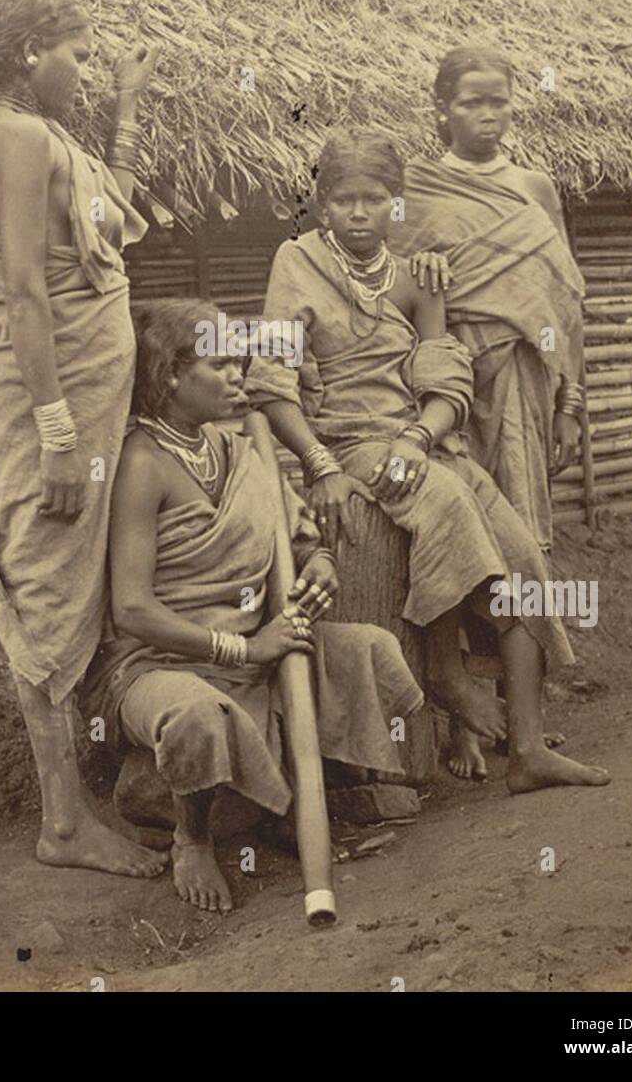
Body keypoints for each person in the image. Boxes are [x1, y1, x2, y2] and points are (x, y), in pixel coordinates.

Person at [245, 128, 609, 796]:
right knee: (442, 505)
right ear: (321, 205)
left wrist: (418, 437)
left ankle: (527, 749)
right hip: (350, 445)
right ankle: (442, 671)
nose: (359, 213)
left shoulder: (415, 279)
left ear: (396, 205)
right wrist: (321, 466)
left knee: (520, 553)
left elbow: (447, 383)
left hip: (420, 442)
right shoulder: (294, 262)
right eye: (344, 200)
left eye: (375, 199)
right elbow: (271, 383)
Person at [85, 299, 425, 912]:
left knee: (370, 650)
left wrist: (319, 562)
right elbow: (132, 610)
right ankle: (193, 837)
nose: (239, 377)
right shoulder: (142, 464)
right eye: (221, 365)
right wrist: (243, 647)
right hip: (161, 662)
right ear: (169, 377)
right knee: (198, 716)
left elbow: (297, 536)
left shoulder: (241, 446)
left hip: (258, 643)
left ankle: (288, 804)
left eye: (240, 363)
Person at [0, 0, 167, 877]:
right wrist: (57, 431)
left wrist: (122, 109)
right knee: (43, 597)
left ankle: (99, 800)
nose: (82, 68)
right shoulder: (14, 135)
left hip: (79, 395)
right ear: (32, 49)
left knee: (73, 588)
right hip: (49, 404)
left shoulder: (39, 134)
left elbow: (108, 218)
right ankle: (62, 825)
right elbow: (28, 291)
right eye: (78, 54)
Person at [391, 46, 587, 778]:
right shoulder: (413, 189)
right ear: (440, 108)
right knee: (464, 545)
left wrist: (572, 401)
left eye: (499, 101)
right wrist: (422, 273)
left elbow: (563, 300)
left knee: (523, 540)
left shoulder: (534, 187)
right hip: (452, 387)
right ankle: (463, 727)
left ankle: (519, 720)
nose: (487, 115)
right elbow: (387, 292)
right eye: (471, 102)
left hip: (528, 384)